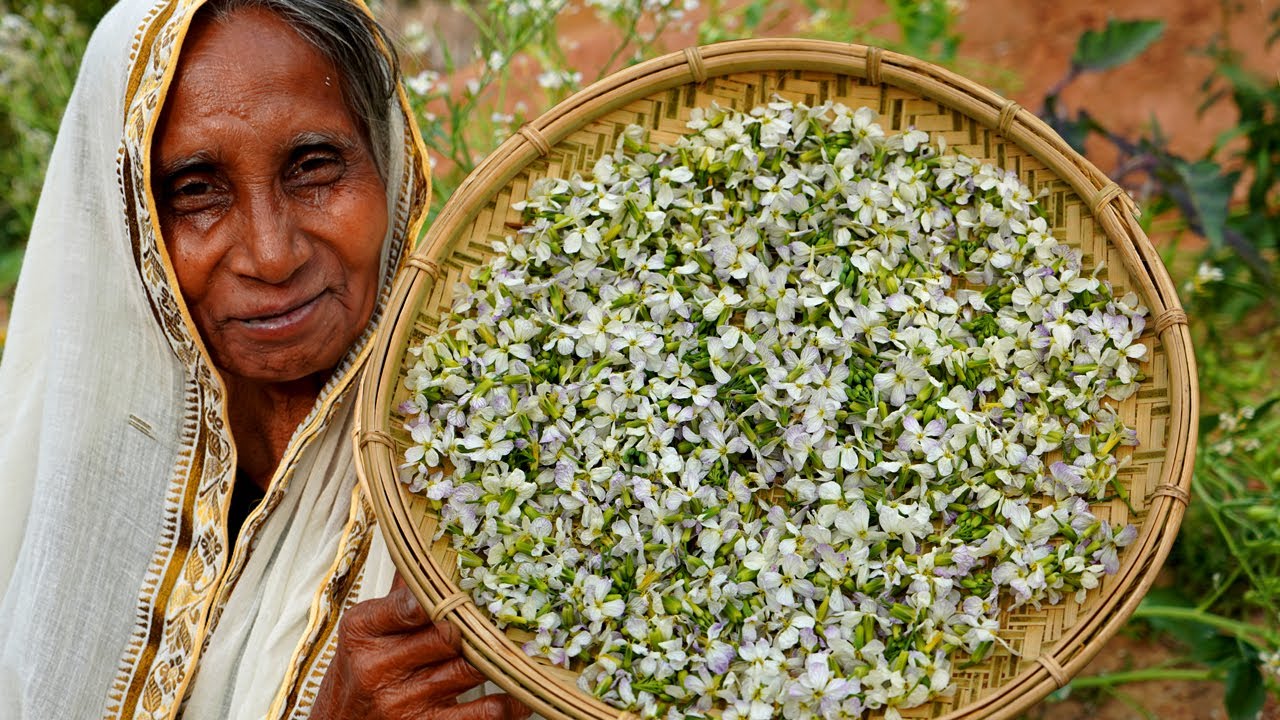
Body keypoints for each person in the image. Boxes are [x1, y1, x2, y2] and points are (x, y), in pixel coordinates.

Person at [0, 1, 530, 718]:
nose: (272, 255)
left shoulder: (505, 465)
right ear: (129, 226)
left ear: (388, 162)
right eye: (196, 192)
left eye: (314, 167)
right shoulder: (71, 504)